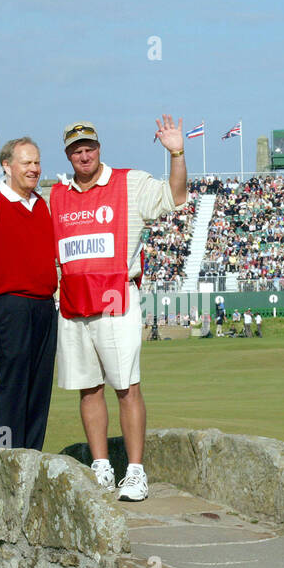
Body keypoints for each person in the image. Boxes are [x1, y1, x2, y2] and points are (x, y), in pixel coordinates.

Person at [50, 117, 189, 502]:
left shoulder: (128, 182)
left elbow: (176, 196)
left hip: (116, 298)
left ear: (99, 148)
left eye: (89, 147)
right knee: (88, 387)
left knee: (126, 386)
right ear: (68, 155)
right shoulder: (57, 195)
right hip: (74, 303)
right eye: (76, 150)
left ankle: (136, 471)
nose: (84, 155)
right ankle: (101, 468)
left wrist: (176, 152)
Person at [0, 121, 57, 451]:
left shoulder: (43, 204)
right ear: (8, 166)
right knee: (14, 385)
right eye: (27, 162)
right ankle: (8, 455)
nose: (34, 169)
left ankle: (32, 457)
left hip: (45, 306)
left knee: (39, 387)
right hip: (10, 306)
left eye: (37, 162)